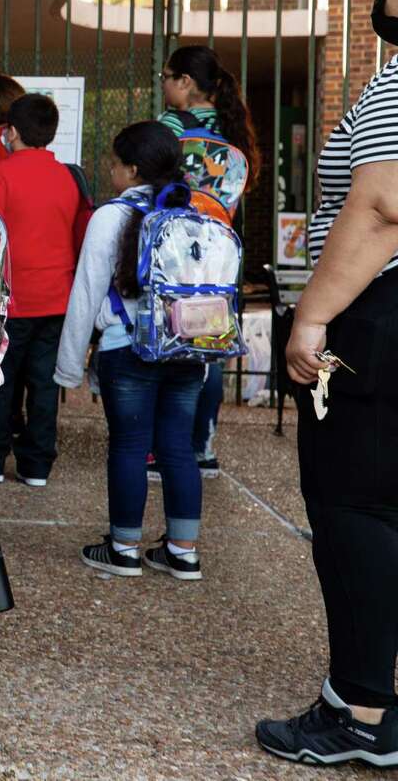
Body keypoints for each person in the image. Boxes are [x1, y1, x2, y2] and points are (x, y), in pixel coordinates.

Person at [254, 0, 398, 768]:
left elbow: (382, 201)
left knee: (357, 512)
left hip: (378, 317)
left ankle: (362, 714)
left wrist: (311, 318)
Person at [55, 121, 204, 580]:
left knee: (129, 446)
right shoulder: (192, 213)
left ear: (133, 169)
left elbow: (86, 293)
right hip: (187, 350)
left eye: (116, 164)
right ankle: (183, 552)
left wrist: (67, 368)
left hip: (127, 350)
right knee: (179, 449)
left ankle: (123, 547)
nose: (110, 170)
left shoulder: (110, 217)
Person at [158, 45, 259, 481]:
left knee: (169, 340)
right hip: (222, 252)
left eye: (166, 76)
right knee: (210, 343)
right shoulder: (236, 129)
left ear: (184, 82)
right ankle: (203, 446)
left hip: (176, 249)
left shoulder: (171, 126)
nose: (162, 84)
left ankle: (163, 446)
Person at [0, 92, 85, 486]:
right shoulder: (68, 176)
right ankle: (37, 465)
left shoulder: (0, 174)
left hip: (11, 297)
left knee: (0, 381)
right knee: (43, 384)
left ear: (12, 132)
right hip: (57, 297)